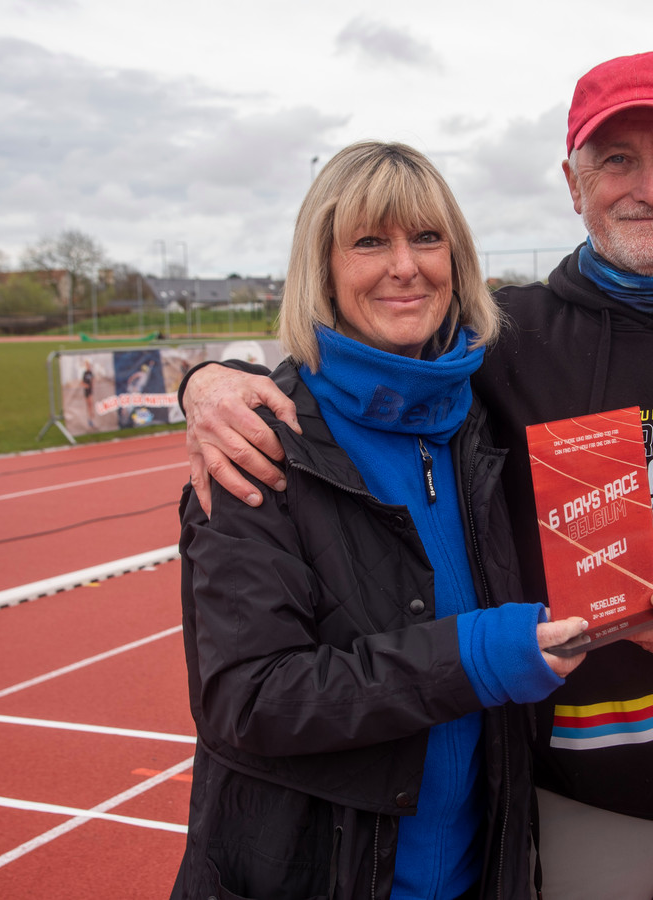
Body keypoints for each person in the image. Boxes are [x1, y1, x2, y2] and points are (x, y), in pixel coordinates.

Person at [179, 52, 653, 900]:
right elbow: (376, 361)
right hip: (561, 808)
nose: (650, 186)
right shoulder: (505, 345)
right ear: (573, 185)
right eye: (616, 160)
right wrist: (211, 381)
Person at [171, 141, 588, 900]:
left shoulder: (486, 419)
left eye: (428, 239)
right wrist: (479, 656)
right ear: (321, 267)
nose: (406, 265)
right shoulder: (257, 442)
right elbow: (250, 699)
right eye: (370, 241)